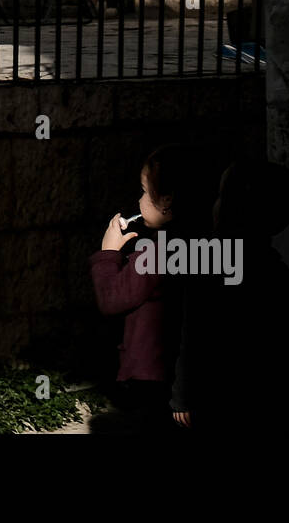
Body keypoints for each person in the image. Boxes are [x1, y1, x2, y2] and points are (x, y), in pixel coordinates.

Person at [171, 158, 289, 433]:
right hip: (265, 404)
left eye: (221, 196)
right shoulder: (274, 272)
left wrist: (182, 396)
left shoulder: (215, 263)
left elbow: (193, 335)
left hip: (224, 401)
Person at [89, 144, 211, 432]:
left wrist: (108, 253)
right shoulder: (196, 244)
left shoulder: (160, 254)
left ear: (166, 202)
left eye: (145, 192)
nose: (140, 199)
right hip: (173, 378)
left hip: (151, 378)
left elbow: (111, 299)